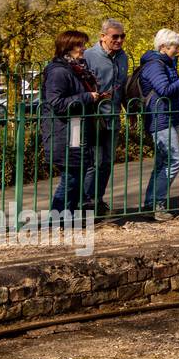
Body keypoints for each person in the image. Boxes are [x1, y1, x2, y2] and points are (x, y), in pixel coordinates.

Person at [41, 30, 110, 215]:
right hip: (63, 133)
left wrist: (94, 96)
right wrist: (87, 97)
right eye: (80, 45)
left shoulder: (76, 69)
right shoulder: (58, 71)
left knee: (76, 177)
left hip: (76, 131)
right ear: (68, 47)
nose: (83, 49)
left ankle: (67, 217)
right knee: (70, 178)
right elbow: (56, 103)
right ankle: (56, 219)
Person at [138, 29, 179, 219]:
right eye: (176, 47)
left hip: (170, 117)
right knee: (174, 160)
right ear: (163, 47)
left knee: (162, 163)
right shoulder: (154, 65)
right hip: (160, 119)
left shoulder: (168, 64)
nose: (178, 50)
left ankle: (152, 204)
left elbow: (177, 91)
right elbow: (165, 90)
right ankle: (156, 205)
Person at [81, 18, 129, 216]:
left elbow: (123, 86)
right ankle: (86, 203)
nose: (119, 40)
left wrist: (129, 110)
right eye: (114, 37)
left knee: (108, 162)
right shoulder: (88, 56)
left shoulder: (122, 57)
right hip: (94, 117)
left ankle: (98, 199)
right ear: (102, 37)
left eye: (122, 36)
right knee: (95, 162)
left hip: (113, 116)